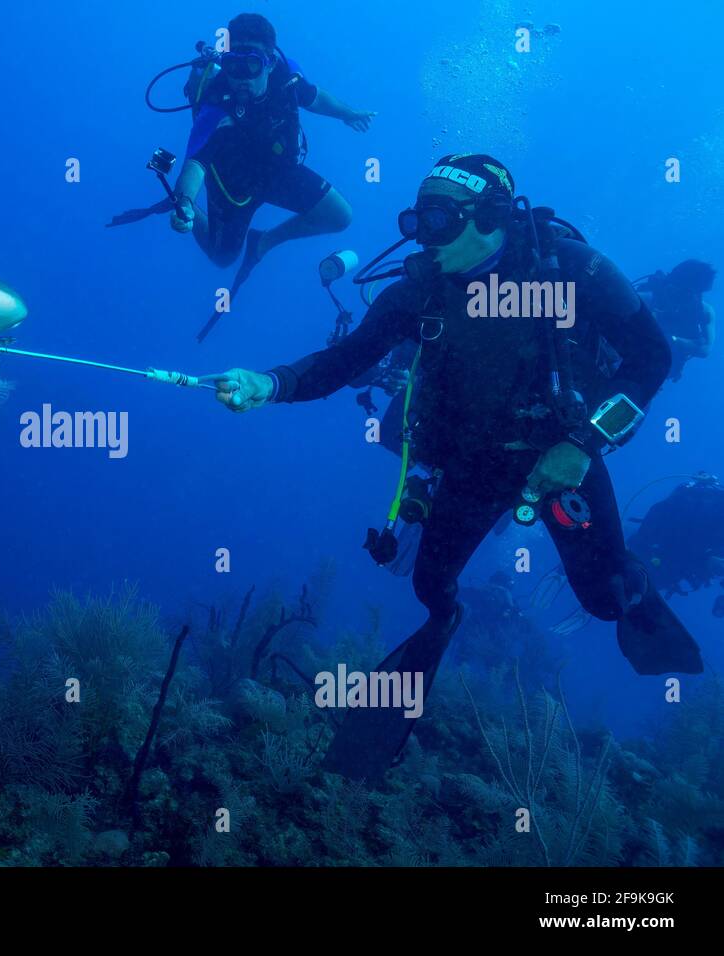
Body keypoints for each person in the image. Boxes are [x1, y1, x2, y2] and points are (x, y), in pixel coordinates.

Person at [201, 153, 704, 782]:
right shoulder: (419, 290)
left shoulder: (572, 270)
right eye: (417, 219)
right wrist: (267, 383)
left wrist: (580, 444)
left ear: (491, 217)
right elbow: (343, 360)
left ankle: (635, 598)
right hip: (473, 463)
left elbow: (650, 359)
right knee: (429, 587)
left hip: (561, 457)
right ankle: (441, 632)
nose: (422, 236)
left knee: (604, 599)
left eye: (439, 220)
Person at [171, 13, 373, 299]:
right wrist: (185, 202)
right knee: (222, 259)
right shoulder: (216, 101)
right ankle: (187, 211)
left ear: (270, 62)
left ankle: (264, 242)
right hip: (232, 188)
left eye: (251, 65)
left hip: (279, 173)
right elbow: (195, 162)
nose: (240, 78)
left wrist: (347, 114)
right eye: (232, 65)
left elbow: (315, 97)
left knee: (339, 217)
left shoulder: (288, 77)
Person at [627, 473, 724, 596]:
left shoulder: (675, 504)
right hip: (663, 558)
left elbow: (645, 532)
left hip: (662, 558)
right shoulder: (716, 514)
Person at [636, 260, 716, 381]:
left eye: (688, 294)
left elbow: (705, 350)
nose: (680, 298)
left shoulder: (704, 311)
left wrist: (671, 339)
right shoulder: (646, 298)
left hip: (653, 371)